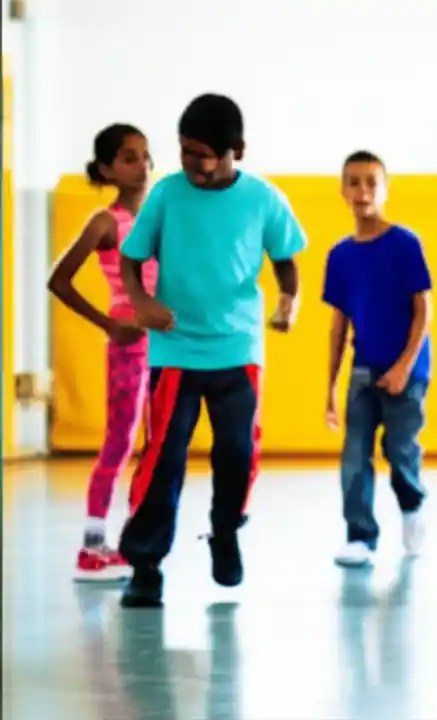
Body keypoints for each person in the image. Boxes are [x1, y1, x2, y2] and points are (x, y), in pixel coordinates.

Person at [116, 93, 308, 607]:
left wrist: (290, 300)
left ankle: (225, 532)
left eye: (202, 153)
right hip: (175, 350)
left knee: (238, 452)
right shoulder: (166, 196)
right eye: (184, 151)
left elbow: (286, 260)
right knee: (163, 456)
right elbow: (132, 258)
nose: (191, 163)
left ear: (235, 151)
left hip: (237, 348)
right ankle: (146, 564)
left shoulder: (264, 199)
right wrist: (142, 303)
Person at [47, 123, 158, 581]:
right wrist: (110, 323)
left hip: (167, 346)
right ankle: (92, 545)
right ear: (108, 168)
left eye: (146, 156)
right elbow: (59, 280)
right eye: (129, 157)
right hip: (130, 350)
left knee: (160, 443)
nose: (142, 166)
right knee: (119, 441)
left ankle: (139, 535)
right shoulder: (106, 222)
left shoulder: (160, 216)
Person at [322, 151, 432, 568]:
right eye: (353, 182)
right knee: (354, 455)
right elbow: (339, 324)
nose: (362, 191)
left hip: (408, 370)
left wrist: (405, 365)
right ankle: (360, 535)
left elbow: (423, 309)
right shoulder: (341, 255)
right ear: (342, 190)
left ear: (385, 188)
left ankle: (412, 504)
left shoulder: (404, 243)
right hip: (363, 369)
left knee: (401, 451)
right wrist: (332, 386)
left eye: (371, 182)